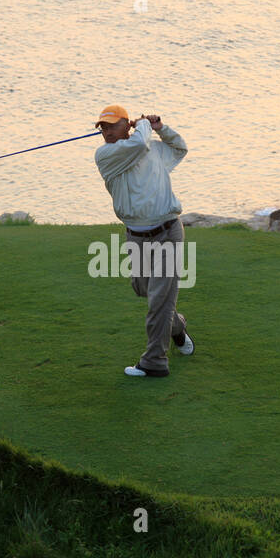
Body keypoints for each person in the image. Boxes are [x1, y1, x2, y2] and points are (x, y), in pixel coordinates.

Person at [93, 104, 195, 378]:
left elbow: (179, 148)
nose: (106, 132)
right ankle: (176, 325)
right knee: (144, 290)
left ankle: (154, 362)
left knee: (158, 300)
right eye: (102, 127)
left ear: (126, 124)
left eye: (112, 125)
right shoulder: (106, 155)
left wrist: (161, 128)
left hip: (168, 232)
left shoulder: (150, 147)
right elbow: (138, 143)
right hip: (136, 236)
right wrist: (144, 127)